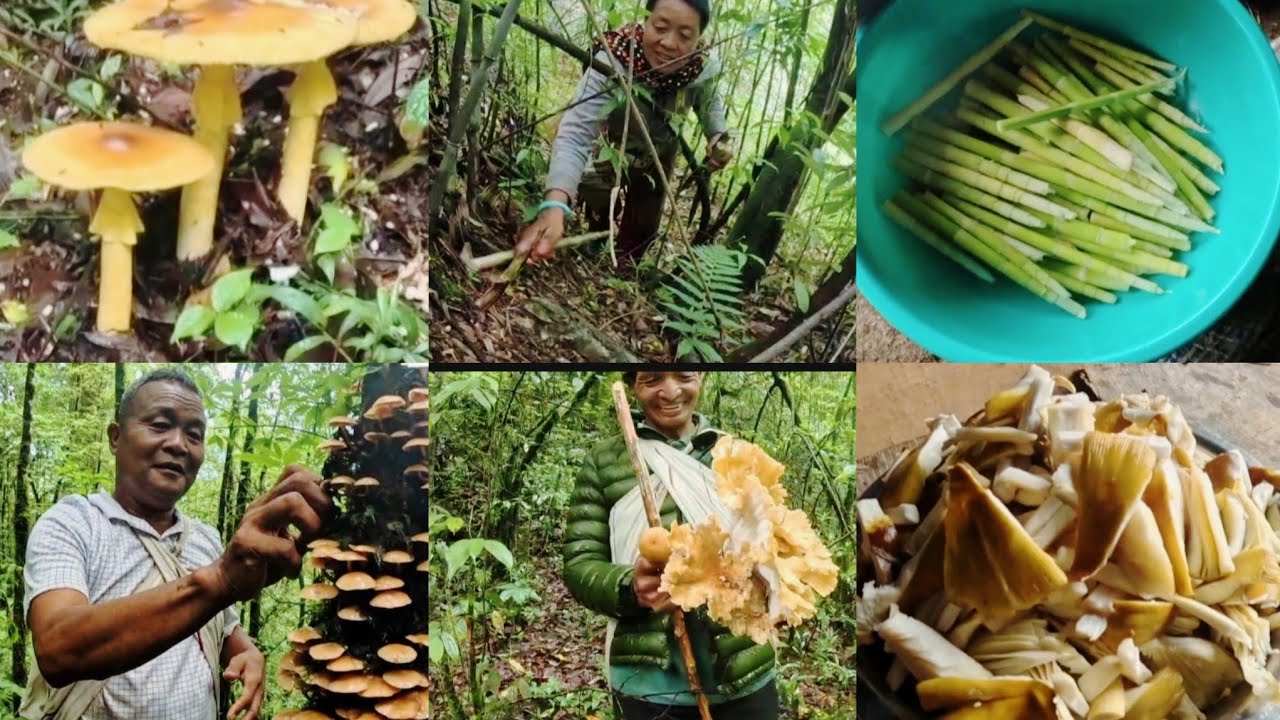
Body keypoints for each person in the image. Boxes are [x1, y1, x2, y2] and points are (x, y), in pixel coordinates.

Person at [20, 369, 332, 720]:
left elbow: (222, 629)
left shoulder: (204, 539)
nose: (178, 444)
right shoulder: (74, 523)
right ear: (115, 437)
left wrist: (247, 652)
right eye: (159, 425)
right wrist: (219, 580)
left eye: (194, 435)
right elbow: (58, 648)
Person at [563, 371, 779, 720]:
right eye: (652, 380)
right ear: (633, 385)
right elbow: (579, 564)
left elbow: (776, 542)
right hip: (648, 683)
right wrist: (630, 587)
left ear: (703, 376)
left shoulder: (737, 455)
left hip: (746, 671)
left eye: (684, 376)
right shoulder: (604, 462)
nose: (670, 392)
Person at [516, 0, 733, 266]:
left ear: (700, 39)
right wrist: (555, 206)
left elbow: (710, 104)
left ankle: (628, 268)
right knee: (596, 191)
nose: (668, 43)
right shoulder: (614, 56)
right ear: (645, 20)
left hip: (659, 151)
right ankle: (597, 231)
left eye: (685, 35)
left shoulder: (701, 68)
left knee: (642, 228)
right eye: (661, 27)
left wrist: (717, 135)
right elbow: (576, 132)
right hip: (610, 144)